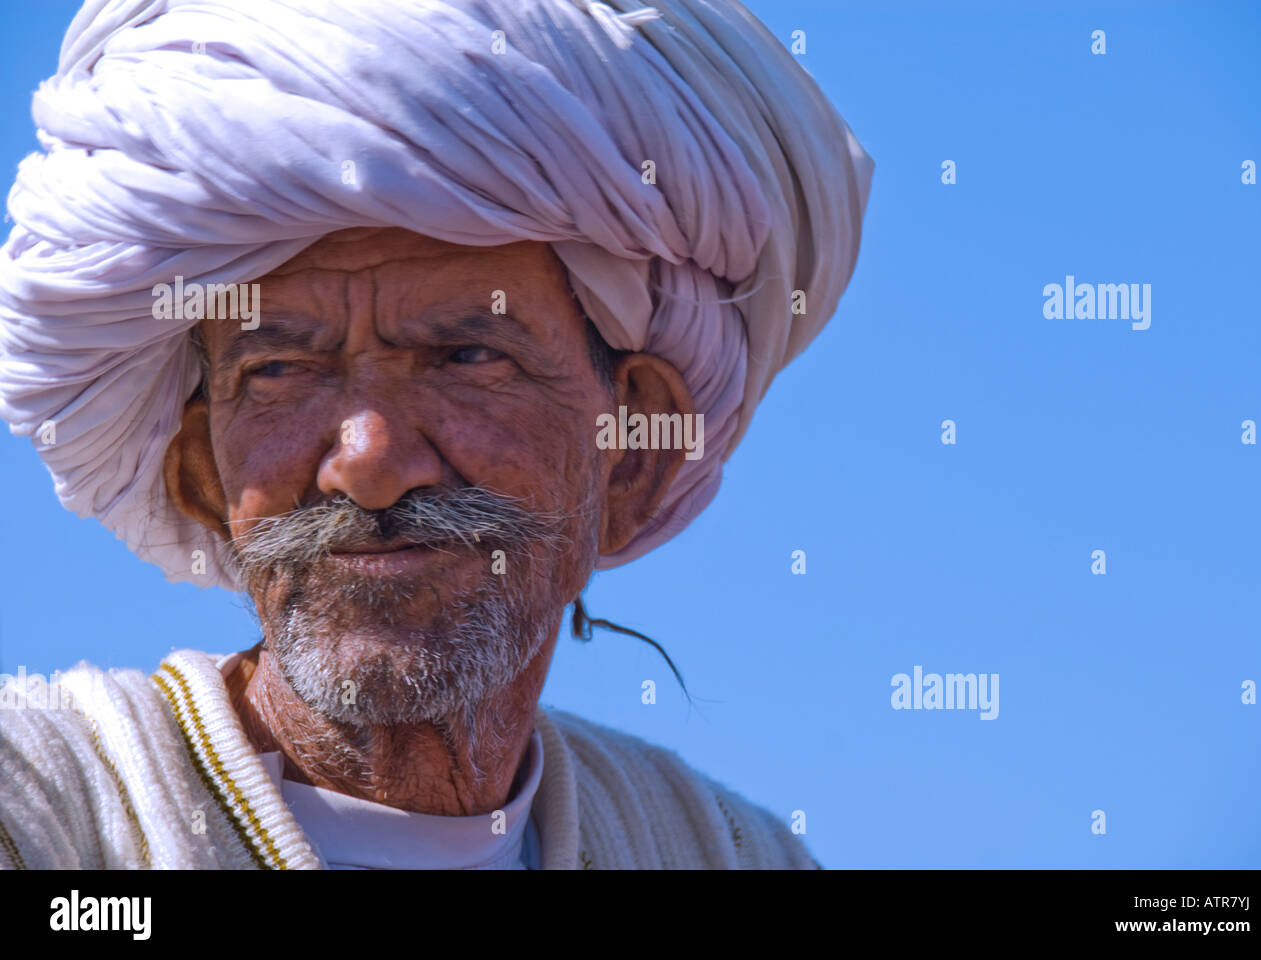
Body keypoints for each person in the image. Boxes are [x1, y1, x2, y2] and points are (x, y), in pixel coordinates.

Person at [0, 0, 871, 869]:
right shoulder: (40, 819)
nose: (369, 464)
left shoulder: (720, 853)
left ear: (632, 457)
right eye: (278, 373)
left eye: (465, 356)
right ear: (203, 477)